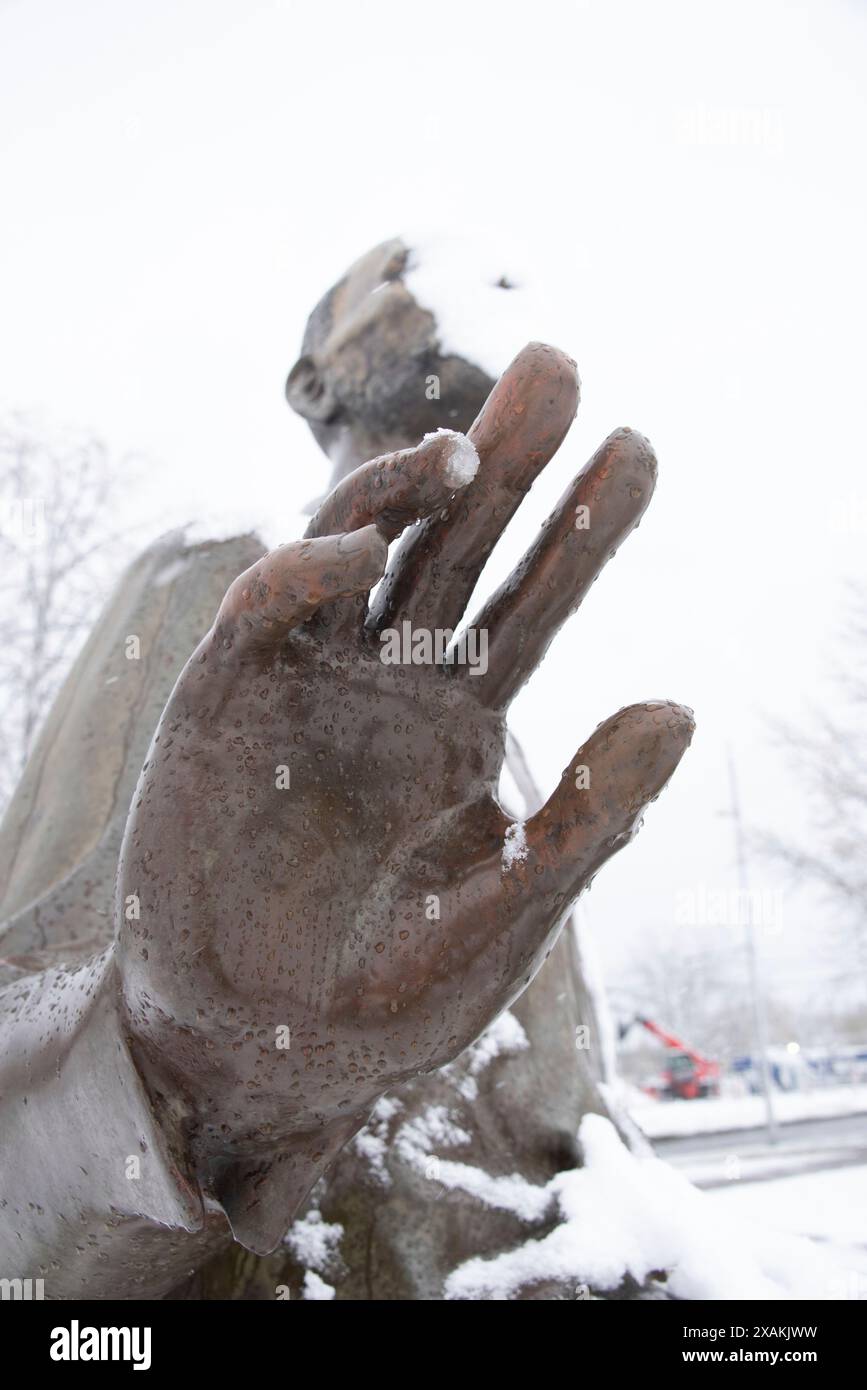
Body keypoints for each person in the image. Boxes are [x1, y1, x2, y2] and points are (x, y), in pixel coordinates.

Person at [0, 238, 692, 1300]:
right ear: (313, 380)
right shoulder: (217, 589)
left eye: (502, 267)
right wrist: (184, 1067)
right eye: (410, 268)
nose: (488, 279)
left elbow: (569, 1101)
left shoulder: (469, 715)